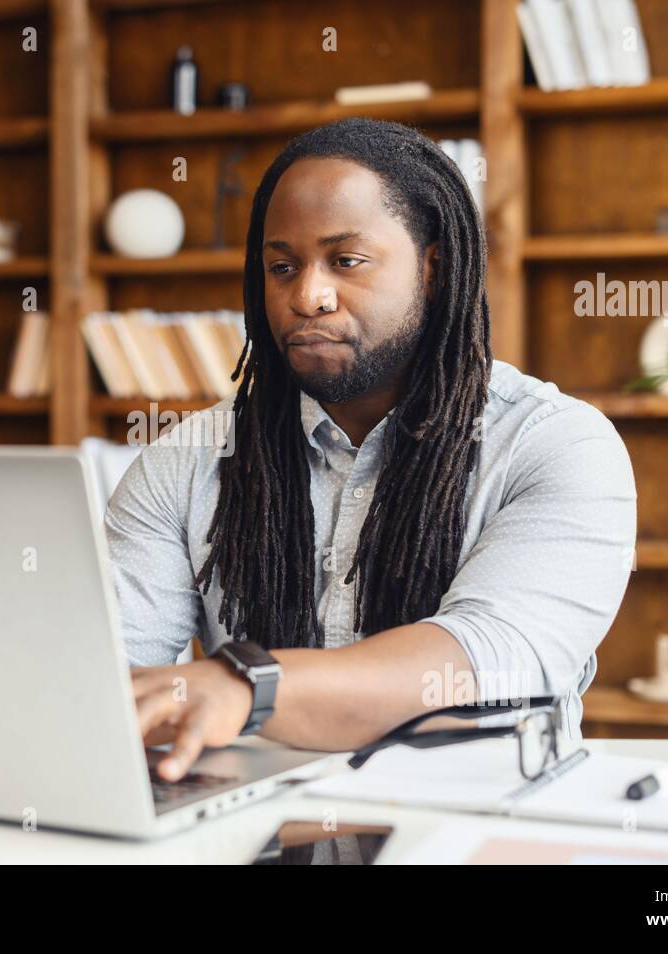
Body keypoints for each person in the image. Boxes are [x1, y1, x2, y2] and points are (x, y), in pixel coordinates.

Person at [107, 118, 636, 782]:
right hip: (256, 837)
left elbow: (490, 664)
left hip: (478, 833)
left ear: (433, 269)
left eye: (346, 261)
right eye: (281, 267)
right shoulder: (180, 465)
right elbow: (112, 682)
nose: (307, 296)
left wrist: (249, 686)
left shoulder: (557, 446)